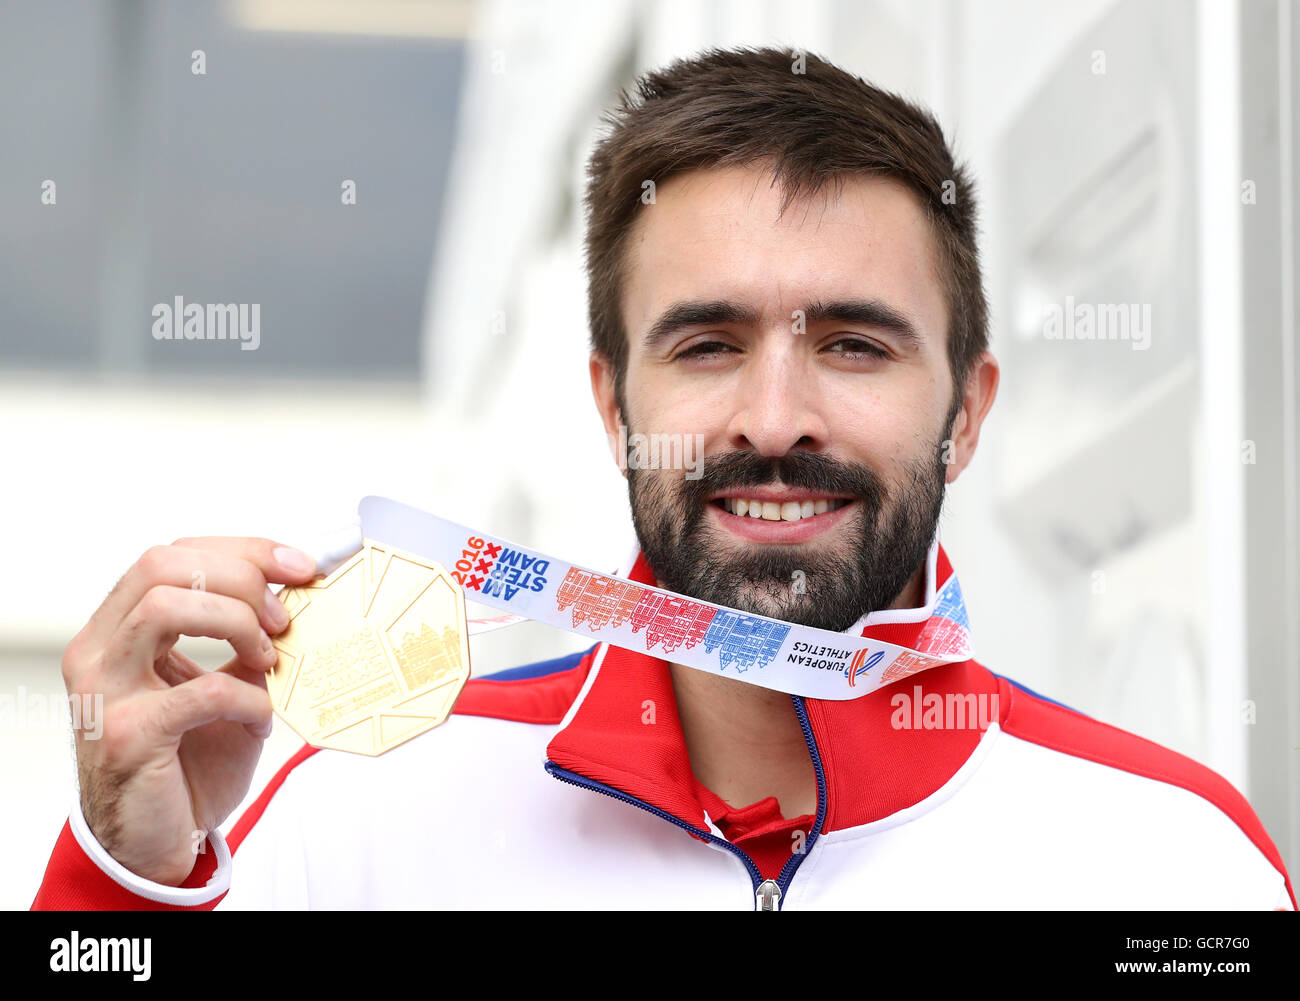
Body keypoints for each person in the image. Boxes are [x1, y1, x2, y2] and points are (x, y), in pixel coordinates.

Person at [33, 45, 1294, 910]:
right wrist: (123, 880)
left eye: (853, 342)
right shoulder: (359, 819)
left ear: (966, 413)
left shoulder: (1173, 867)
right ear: (609, 403)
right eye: (707, 343)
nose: (776, 416)